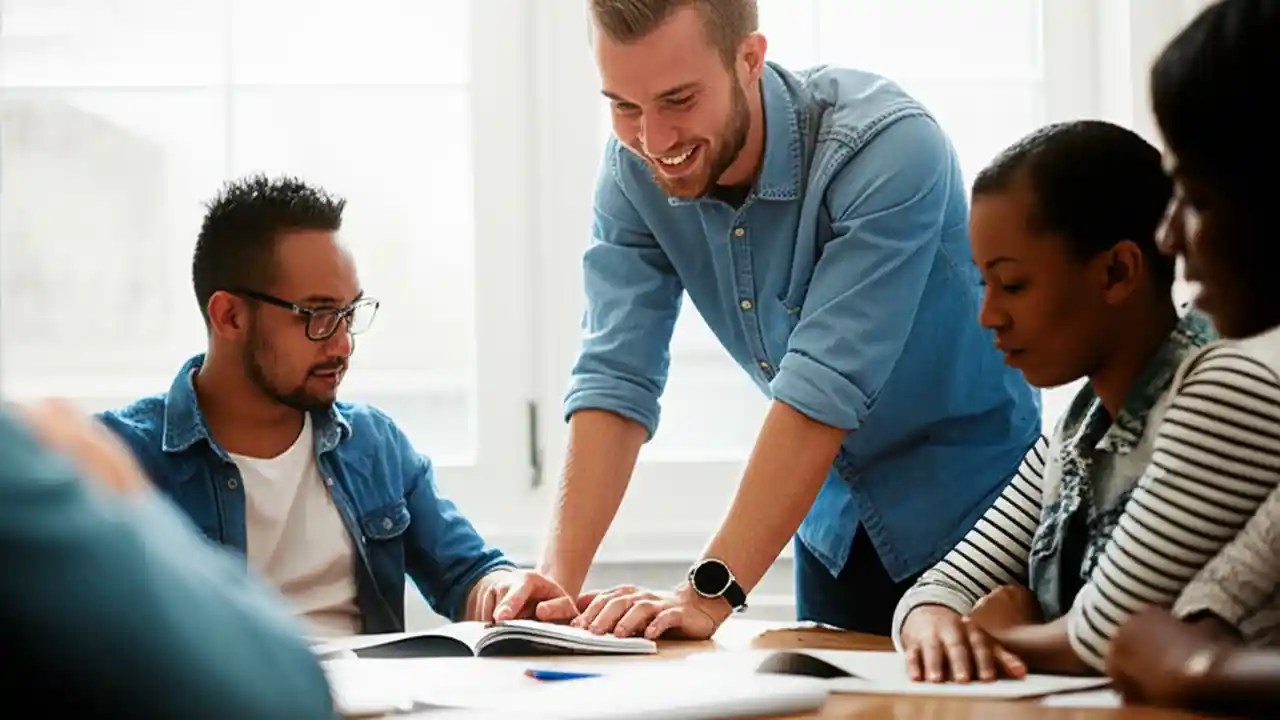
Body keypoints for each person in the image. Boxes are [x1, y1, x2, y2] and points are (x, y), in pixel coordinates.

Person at [535, 0, 1040, 640]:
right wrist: (553, 591)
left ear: (749, 59)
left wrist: (705, 592)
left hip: (978, 518)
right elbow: (615, 374)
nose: (653, 141)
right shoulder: (631, 170)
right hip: (831, 522)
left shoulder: (887, 148)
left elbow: (821, 387)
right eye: (624, 106)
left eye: (679, 100)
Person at [98, 174, 569, 636]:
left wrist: (504, 588)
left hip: (371, 707)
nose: (343, 344)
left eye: (349, 313)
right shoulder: (117, 460)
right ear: (230, 316)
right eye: (319, 315)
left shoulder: (374, 445)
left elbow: (467, 574)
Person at [890, 120, 1217, 683]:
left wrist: (1000, 631)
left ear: (1117, 271)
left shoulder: (1209, 404)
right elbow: (937, 590)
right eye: (984, 285)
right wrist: (938, 626)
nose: (988, 315)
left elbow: (1112, 633)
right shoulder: (1078, 427)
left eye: (1013, 285)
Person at [1103, 0, 1280, 713]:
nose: (1170, 237)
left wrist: (1202, 670)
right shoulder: (1080, 422)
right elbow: (1228, 589)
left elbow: (1156, 640)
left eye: (1197, 197)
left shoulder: (1226, 385)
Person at [1, 399, 335, 719]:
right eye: (315, 333)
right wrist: (130, 495)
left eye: (347, 333)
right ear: (228, 334)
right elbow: (278, 696)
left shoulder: (371, 438)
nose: (342, 348)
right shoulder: (117, 445)